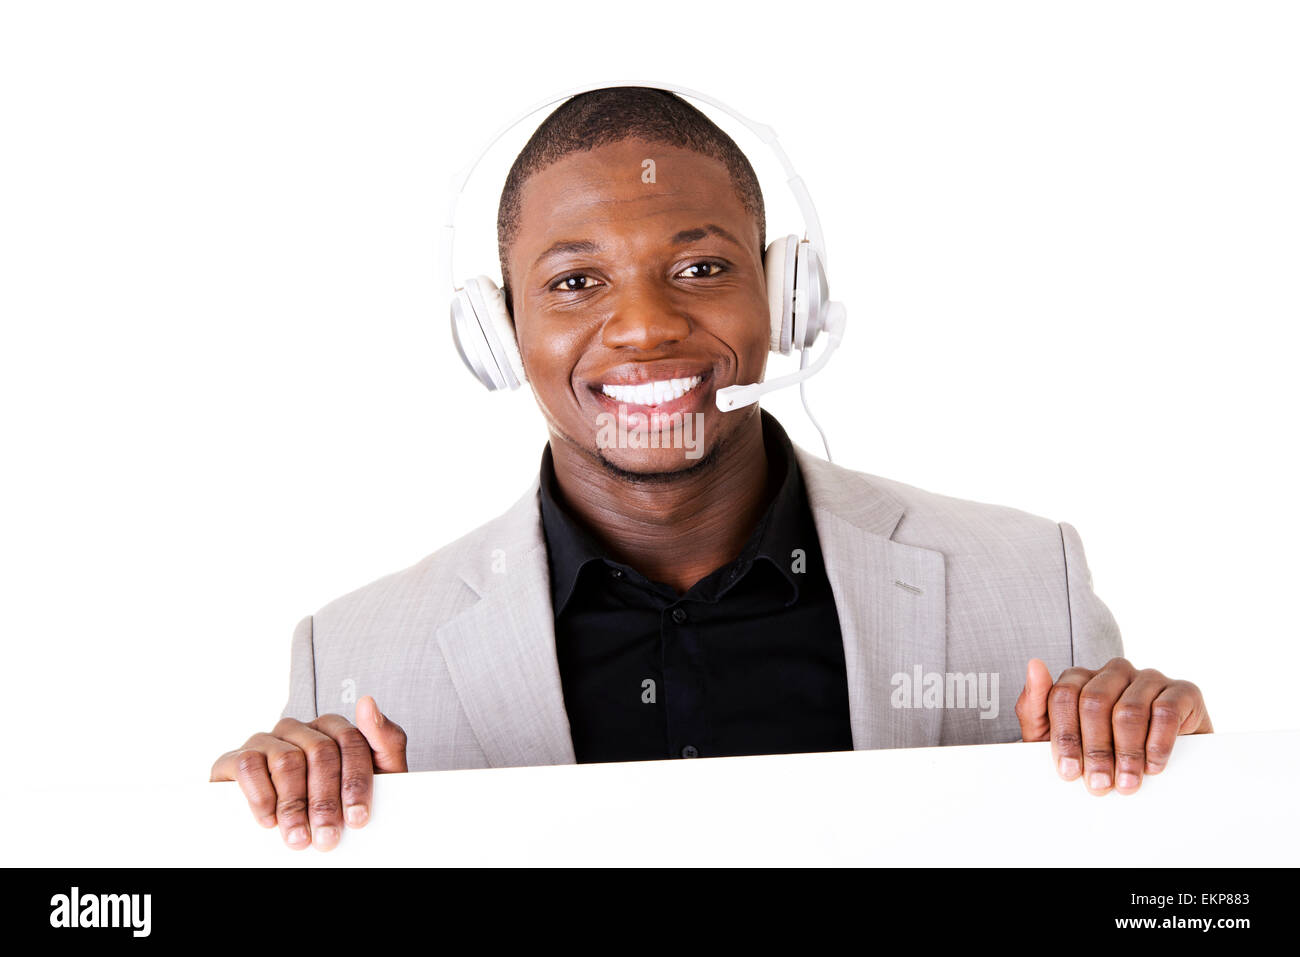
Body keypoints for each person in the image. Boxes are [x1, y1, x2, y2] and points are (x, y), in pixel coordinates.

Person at [210, 86, 1212, 851]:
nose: (645, 326)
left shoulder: (1029, 579)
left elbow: (1156, 890)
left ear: (785, 300)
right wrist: (241, 844)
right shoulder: (353, 655)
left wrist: (1184, 791)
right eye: (575, 282)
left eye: (699, 269)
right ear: (497, 330)